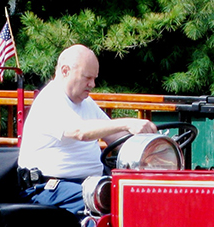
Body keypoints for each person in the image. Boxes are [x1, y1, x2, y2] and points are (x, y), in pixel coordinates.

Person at [18, 44, 156, 214]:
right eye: (87, 77)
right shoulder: (49, 100)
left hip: (89, 184)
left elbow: (117, 138)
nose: (92, 84)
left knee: (140, 196)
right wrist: (128, 123)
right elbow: (80, 131)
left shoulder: (86, 103)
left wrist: (152, 149)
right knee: (106, 203)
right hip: (47, 187)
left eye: (94, 78)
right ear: (65, 71)